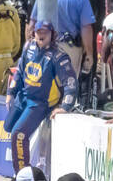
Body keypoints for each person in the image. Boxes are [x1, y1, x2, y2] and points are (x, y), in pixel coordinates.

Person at [5, 20, 77, 171]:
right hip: (23, 97)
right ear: (33, 33)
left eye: (46, 32)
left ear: (52, 35)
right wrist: (11, 93)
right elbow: (19, 72)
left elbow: (70, 83)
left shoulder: (59, 57)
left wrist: (65, 106)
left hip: (40, 103)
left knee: (19, 134)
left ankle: (23, 177)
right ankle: (21, 172)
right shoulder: (28, 48)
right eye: (39, 32)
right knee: (8, 127)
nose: (42, 35)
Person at [29, 0, 97, 77]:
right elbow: (86, 28)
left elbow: (32, 24)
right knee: (67, 88)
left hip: (44, 46)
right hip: (69, 49)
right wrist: (89, 54)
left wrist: (29, 48)